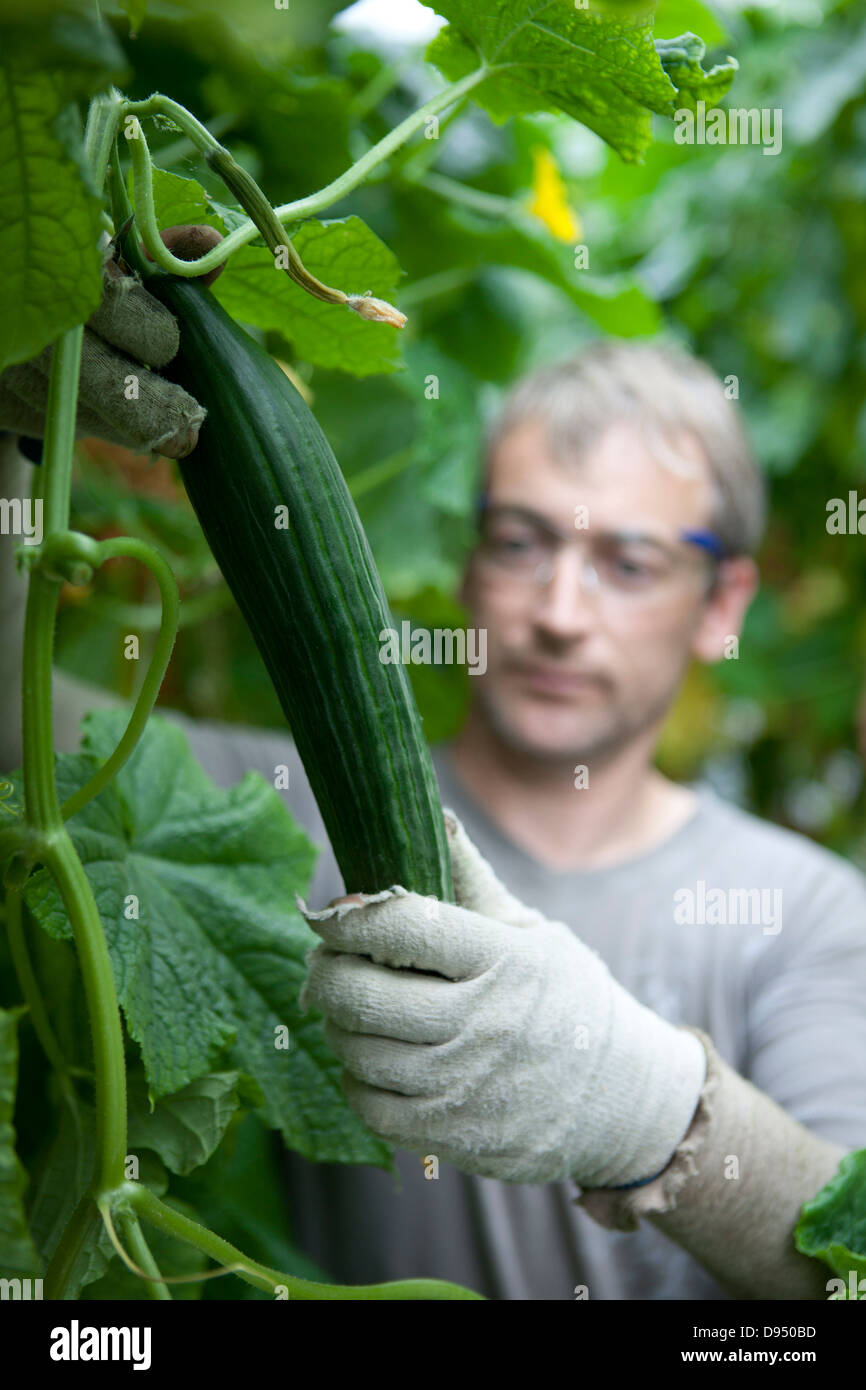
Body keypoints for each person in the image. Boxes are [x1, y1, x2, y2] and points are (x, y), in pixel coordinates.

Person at [1, 256, 864, 1301]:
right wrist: (11, 433)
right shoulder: (269, 812)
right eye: (518, 541)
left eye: (626, 563)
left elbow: (845, 1272)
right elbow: (12, 713)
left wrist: (646, 1105)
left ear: (722, 600)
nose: (557, 607)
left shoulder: (810, 915)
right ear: (464, 564)